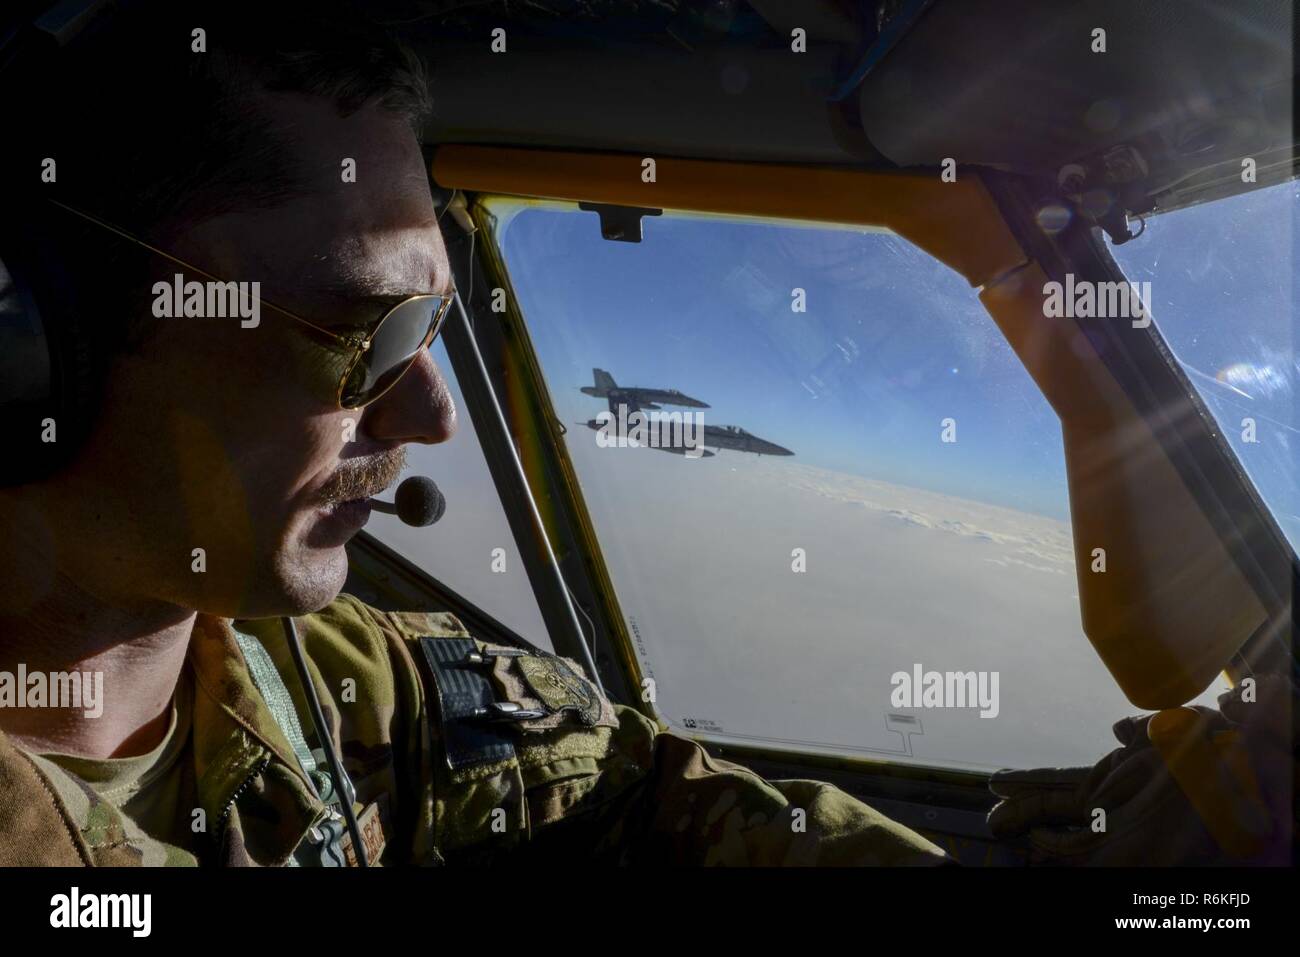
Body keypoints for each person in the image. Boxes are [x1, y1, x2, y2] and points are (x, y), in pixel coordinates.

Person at [0, 1, 949, 867]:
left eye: (434, 326)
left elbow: (651, 794)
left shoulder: (348, 685)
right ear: (33, 341)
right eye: (368, 333)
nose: (434, 416)